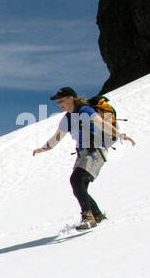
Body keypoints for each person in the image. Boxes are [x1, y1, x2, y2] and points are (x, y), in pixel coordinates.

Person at [32, 87, 134, 230]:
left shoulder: (85, 111)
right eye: (58, 102)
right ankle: (97, 215)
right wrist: (44, 148)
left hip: (95, 151)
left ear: (71, 98)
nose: (59, 104)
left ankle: (88, 217)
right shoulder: (67, 117)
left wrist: (121, 135)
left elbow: (103, 125)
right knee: (79, 187)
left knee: (76, 180)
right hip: (82, 154)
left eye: (61, 100)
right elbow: (57, 137)